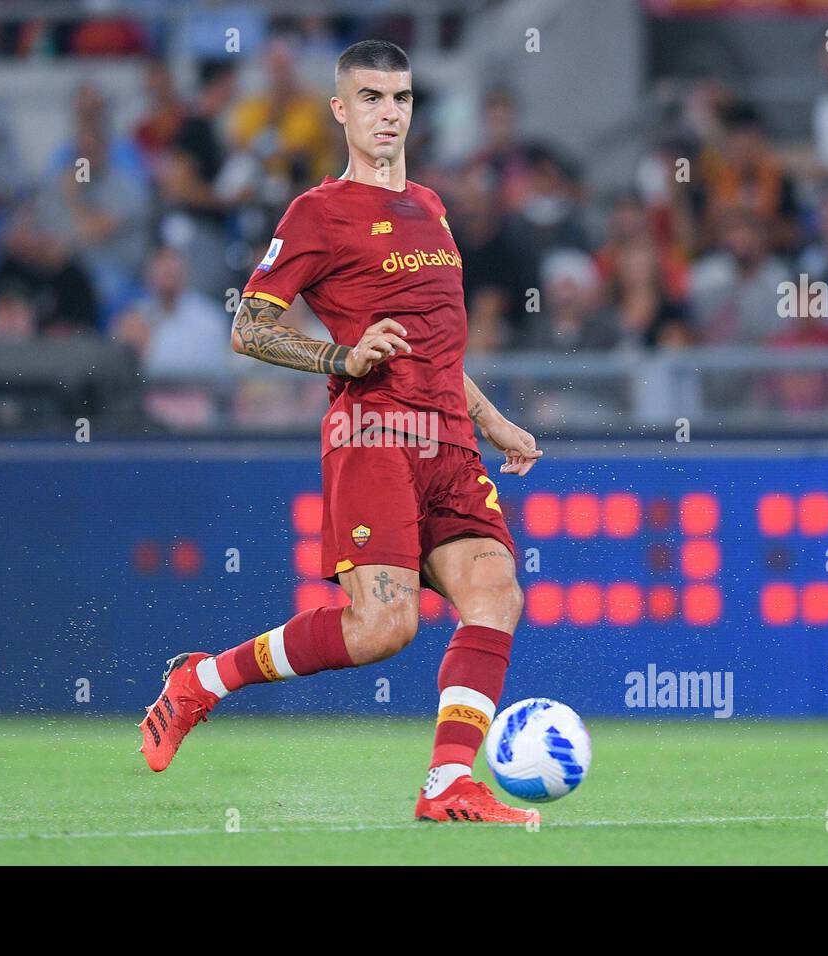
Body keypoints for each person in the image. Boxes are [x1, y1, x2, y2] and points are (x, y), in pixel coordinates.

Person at [137, 40, 545, 825]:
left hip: (450, 442)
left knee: (495, 594)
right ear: (340, 109)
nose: (388, 113)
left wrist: (494, 422)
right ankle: (202, 682)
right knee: (383, 629)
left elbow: (434, 344)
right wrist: (342, 355)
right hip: (372, 435)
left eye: (400, 98)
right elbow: (248, 328)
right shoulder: (317, 212)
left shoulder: (431, 205)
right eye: (370, 98)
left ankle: (448, 784)